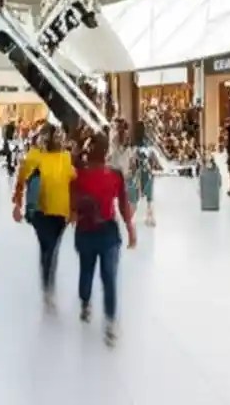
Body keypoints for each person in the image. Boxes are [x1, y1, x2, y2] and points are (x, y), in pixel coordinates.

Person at [71, 132, 137, 346]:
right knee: (109, 278)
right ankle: (109, 322)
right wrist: (130, 228)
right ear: (107, 151)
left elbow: (72, 200)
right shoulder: (115, 175)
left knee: (86, 270)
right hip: (108, 231)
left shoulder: (80, 174)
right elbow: (123, 204)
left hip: (85, 230)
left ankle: (85, 304)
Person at [13, 124, 75, 305]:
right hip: (56, 211)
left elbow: (21, 178)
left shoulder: (36, 156)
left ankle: (47, 282)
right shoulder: (65, 157)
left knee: (47, 247)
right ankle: (49, 282)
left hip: (44, 211)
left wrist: (17, 204)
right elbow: (73, 179)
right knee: (52, 246)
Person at [126, 121, 157, 227]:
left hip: (136, 173)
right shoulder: (149, 143)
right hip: (147, 172)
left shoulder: (133, 144)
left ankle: (129, 219)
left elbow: (131, 160)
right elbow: (153, 158)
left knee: (133, 199)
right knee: (149, 197)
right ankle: (150, 218)